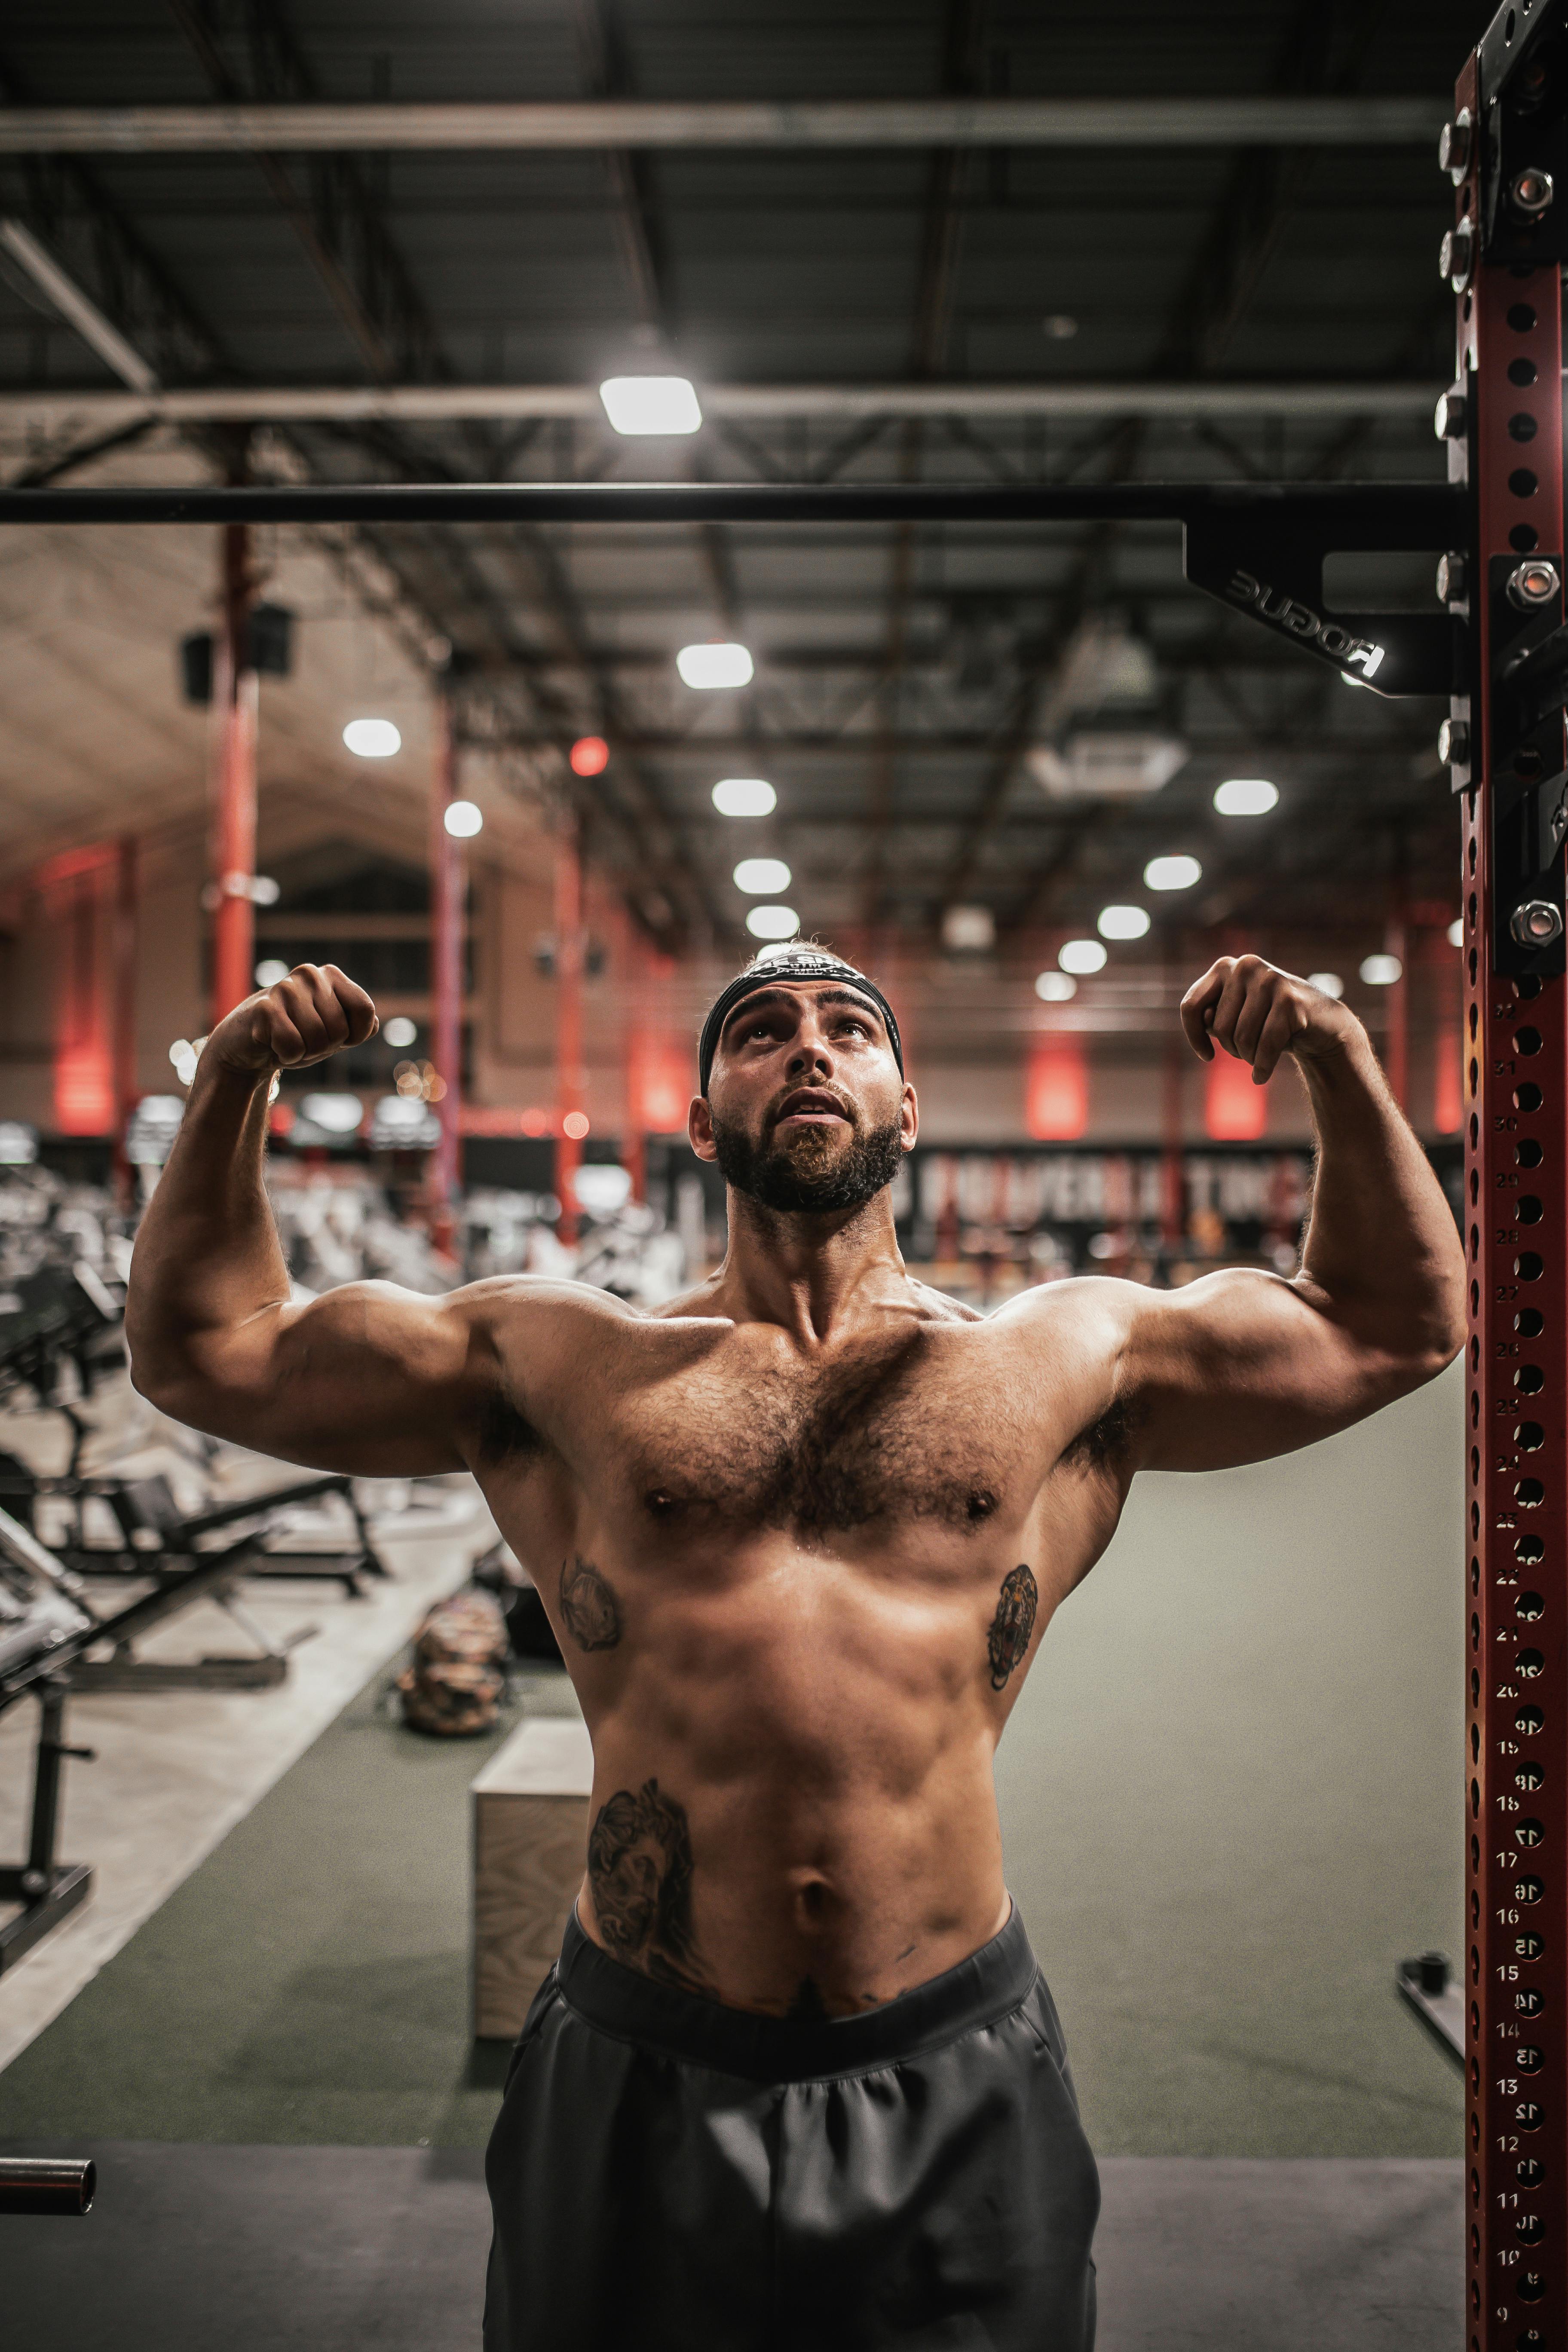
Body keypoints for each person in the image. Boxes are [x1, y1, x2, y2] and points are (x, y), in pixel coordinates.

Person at [125, 944, 1465, 2352]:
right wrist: (230, 1079)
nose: (810, 1050)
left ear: (906, 1104)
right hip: (643, 2057)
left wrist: (1338, 1055)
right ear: (704, 1122)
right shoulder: (560, 1358)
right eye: (762, 1033)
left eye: (849, 1031)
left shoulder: (1062, 1357)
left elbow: (1393, 1324)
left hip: (952, 2053)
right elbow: (206, 1350)